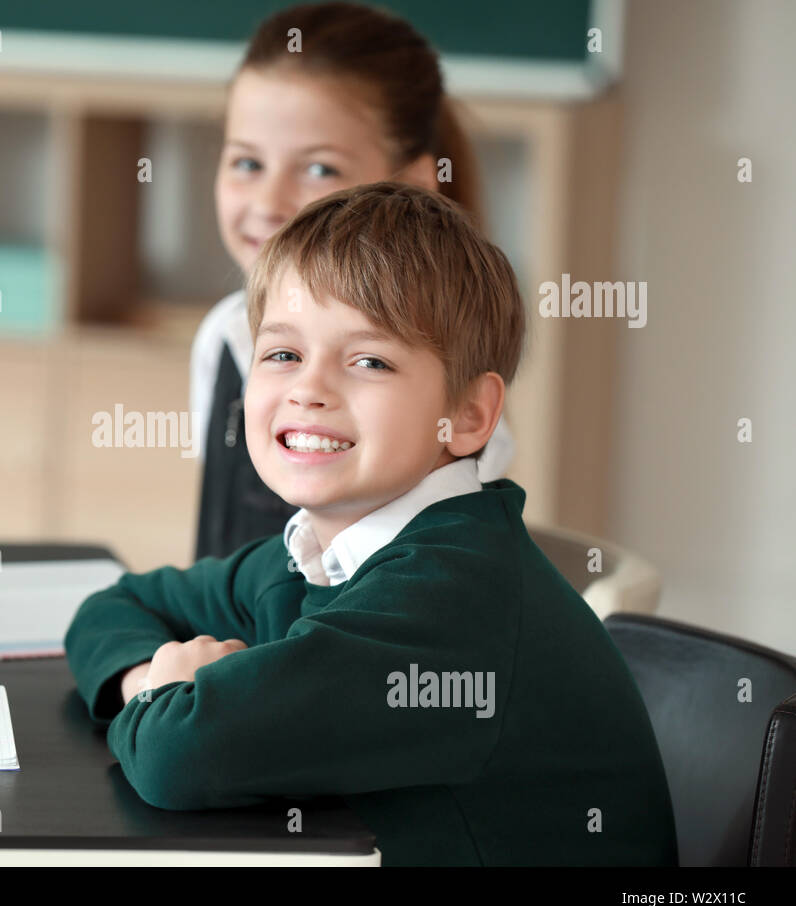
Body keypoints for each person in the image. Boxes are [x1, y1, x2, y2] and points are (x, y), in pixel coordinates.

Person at [64, 183, 678, 866]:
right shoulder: (316, 553)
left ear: (471, 415)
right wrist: (147, 679)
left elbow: (180, 758)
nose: (309, 389)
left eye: (370, 362)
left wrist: (166, 693)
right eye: (282, 354)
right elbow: (116, 605)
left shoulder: (450, 597)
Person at [193, 1, 514, 561]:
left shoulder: (444, 401)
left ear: (412, 183)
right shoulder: (223, 333)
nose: (269, 204)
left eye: (320, 169)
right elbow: (215, 560)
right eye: (247, 163)